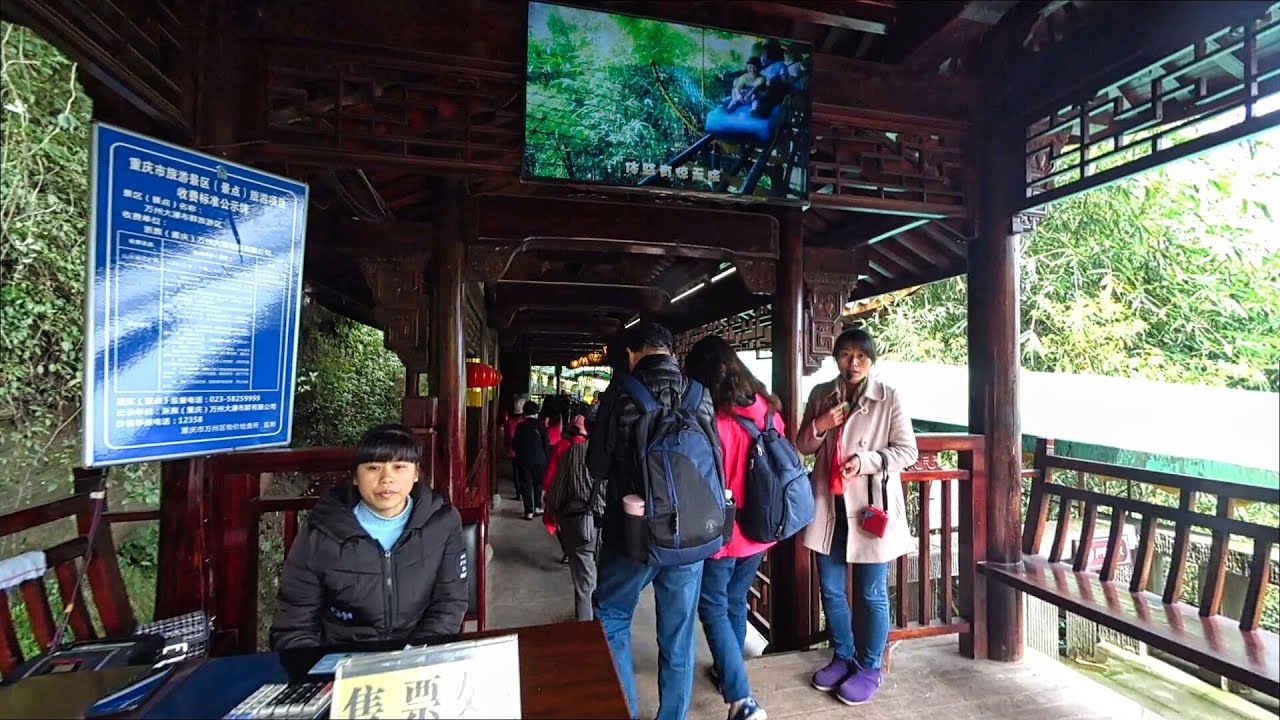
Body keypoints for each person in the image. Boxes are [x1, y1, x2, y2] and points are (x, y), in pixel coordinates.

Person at [587, 321, 723, 720]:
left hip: (632, 535)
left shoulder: (621, 392)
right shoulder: (700, 395)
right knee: (678, 634)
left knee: (611, 616)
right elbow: (714, 461)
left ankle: (625, 709)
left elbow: (597, 467)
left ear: (633, 353)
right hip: (690, 534)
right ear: (671, 351)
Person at [796, 327, 917, 705]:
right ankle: (842, 655)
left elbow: (907, 451)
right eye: (846, 354)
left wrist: (866, 461)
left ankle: (869, 667)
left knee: (871, 592)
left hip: (869, 508)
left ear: (871, 360)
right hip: (830, 507)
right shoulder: (821, 395)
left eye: (860, 356)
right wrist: (821, 425)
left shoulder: (888, 398)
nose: (853, 362)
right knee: (831, 589)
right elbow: (802, 444)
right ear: (836, 358)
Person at [270, 423, 469, 649]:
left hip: (416, 656)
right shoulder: (323, 529)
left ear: (415, 474)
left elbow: (449, 603)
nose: (386, 478)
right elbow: (296, 621)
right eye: (373, 468)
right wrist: (319, 671)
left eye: (399, 467)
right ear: (355, 477)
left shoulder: (442, 522)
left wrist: (414, 656)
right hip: (343, 659)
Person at [683, 335, 778, 720]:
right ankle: (728, 672)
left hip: (722, 531)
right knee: (735, 600)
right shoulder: (768, 411)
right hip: (760, 527)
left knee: (713, 606)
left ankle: (742, 699)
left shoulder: (710, 418)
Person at [542, 415, 601, 620]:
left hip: (580, 525)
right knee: (607, 581)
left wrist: (554, 513)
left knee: (585, 585)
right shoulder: (621, 451)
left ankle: (586, 632)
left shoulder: (574, 451)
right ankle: (605, 630)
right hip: (612, 528)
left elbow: (558, 489)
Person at [513, 401, 551, 520]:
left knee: (526, 484)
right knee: (538, 483)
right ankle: (537, 507)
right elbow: (546, 445)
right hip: (540, 460)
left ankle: (528, 511)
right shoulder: (542, 426)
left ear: (524, 412)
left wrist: (520, 455)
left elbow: (515, 445)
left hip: (524, 460)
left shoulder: (520, 426)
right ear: (537, 412)